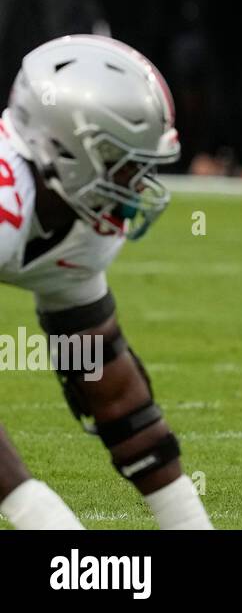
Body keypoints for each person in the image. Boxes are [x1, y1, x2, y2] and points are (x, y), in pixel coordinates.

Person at [0, 35, 212, 529]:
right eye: (126, 165)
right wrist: (39, 513)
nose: (139, 186)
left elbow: (108, 384)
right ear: (67, 149)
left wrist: (187, 522)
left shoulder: (76, 223)